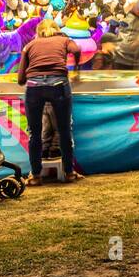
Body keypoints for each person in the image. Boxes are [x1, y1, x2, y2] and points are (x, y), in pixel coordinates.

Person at [16, 18, 82, 184]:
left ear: (38, 32)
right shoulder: (64, 40)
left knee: (34, 133)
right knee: (64, 129)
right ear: (56, 29)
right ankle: (69, 173)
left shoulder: (29, 46)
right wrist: (77, 68)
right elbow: (76, 49)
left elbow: (20, 78)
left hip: (34, 88)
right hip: (58, 85)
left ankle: (35, 176)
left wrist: (32, 77)